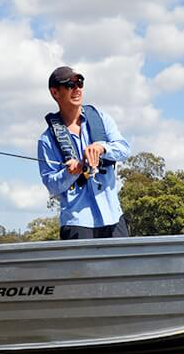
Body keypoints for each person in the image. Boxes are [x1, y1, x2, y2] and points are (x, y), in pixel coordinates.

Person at [38, 66, 131, 239]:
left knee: (123, 267)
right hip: (77, 223)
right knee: (79, 268)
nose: (77, 89)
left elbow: (124, 149)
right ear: (55, 92)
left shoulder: (102, 119)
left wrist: (102, 148)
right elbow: (51, 184)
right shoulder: (46, 140)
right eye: (69, 85)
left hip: (113, 217)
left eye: (79, 83)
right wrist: (69, 173)